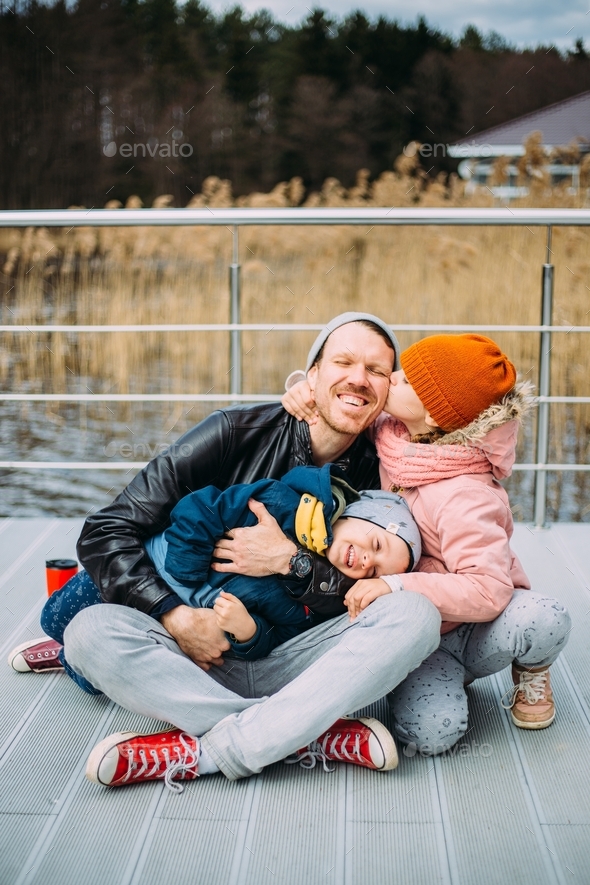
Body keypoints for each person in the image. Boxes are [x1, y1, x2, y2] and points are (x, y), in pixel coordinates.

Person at [10, 312, 443, 787]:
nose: (359, 378)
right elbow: (105, 530)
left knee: (415, 615)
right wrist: (175, 615)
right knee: (85, 632)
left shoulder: (384, 465)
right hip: (193, 648)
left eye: (376, 370)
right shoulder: (235, 431)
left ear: (387, 388)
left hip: (290, 653)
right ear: (313, 375)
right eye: (343, 362)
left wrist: (292, 562)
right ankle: (304, 733)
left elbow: (378, 574)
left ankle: (234, 740)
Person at [284, 333, 572, 754]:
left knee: (546, 618)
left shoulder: (466, 494)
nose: (392, 377)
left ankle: (531, 665)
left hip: (480, 627)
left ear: (436, 416)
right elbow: (345, 408)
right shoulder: (395, 437)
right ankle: (442, 676)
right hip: (422, 638)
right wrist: (304, 390)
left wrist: (395, 585)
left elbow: (488, 590)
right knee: (431, 735)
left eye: (407, 379)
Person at [13, 466, 420, 665]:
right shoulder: (282, 504)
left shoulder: (316, 603)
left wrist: (247, 631)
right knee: (55, 618)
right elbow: (201, 508)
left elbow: (278, 636)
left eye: (376, 570)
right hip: (153, 571)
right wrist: (185, 575)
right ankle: (64, 643)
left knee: (89, 671)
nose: (366, 560)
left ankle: (70, 659)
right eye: (376, 544)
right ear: (355, 515)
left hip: (181, 629)